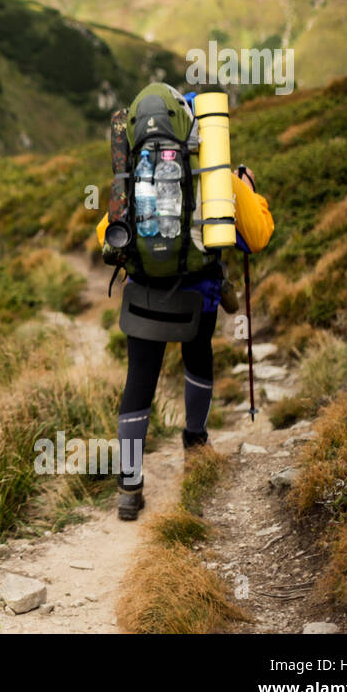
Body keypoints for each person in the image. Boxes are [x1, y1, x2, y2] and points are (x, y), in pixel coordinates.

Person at [95, 92, 274, 521]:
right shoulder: (214, 175)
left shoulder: (134, 173)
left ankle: (129, 486)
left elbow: (106, 233)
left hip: (144, 297)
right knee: (198, 360)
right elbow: (258, 236)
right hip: (198, 297)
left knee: (139, 378)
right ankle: (196, 443)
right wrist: (249, 190)